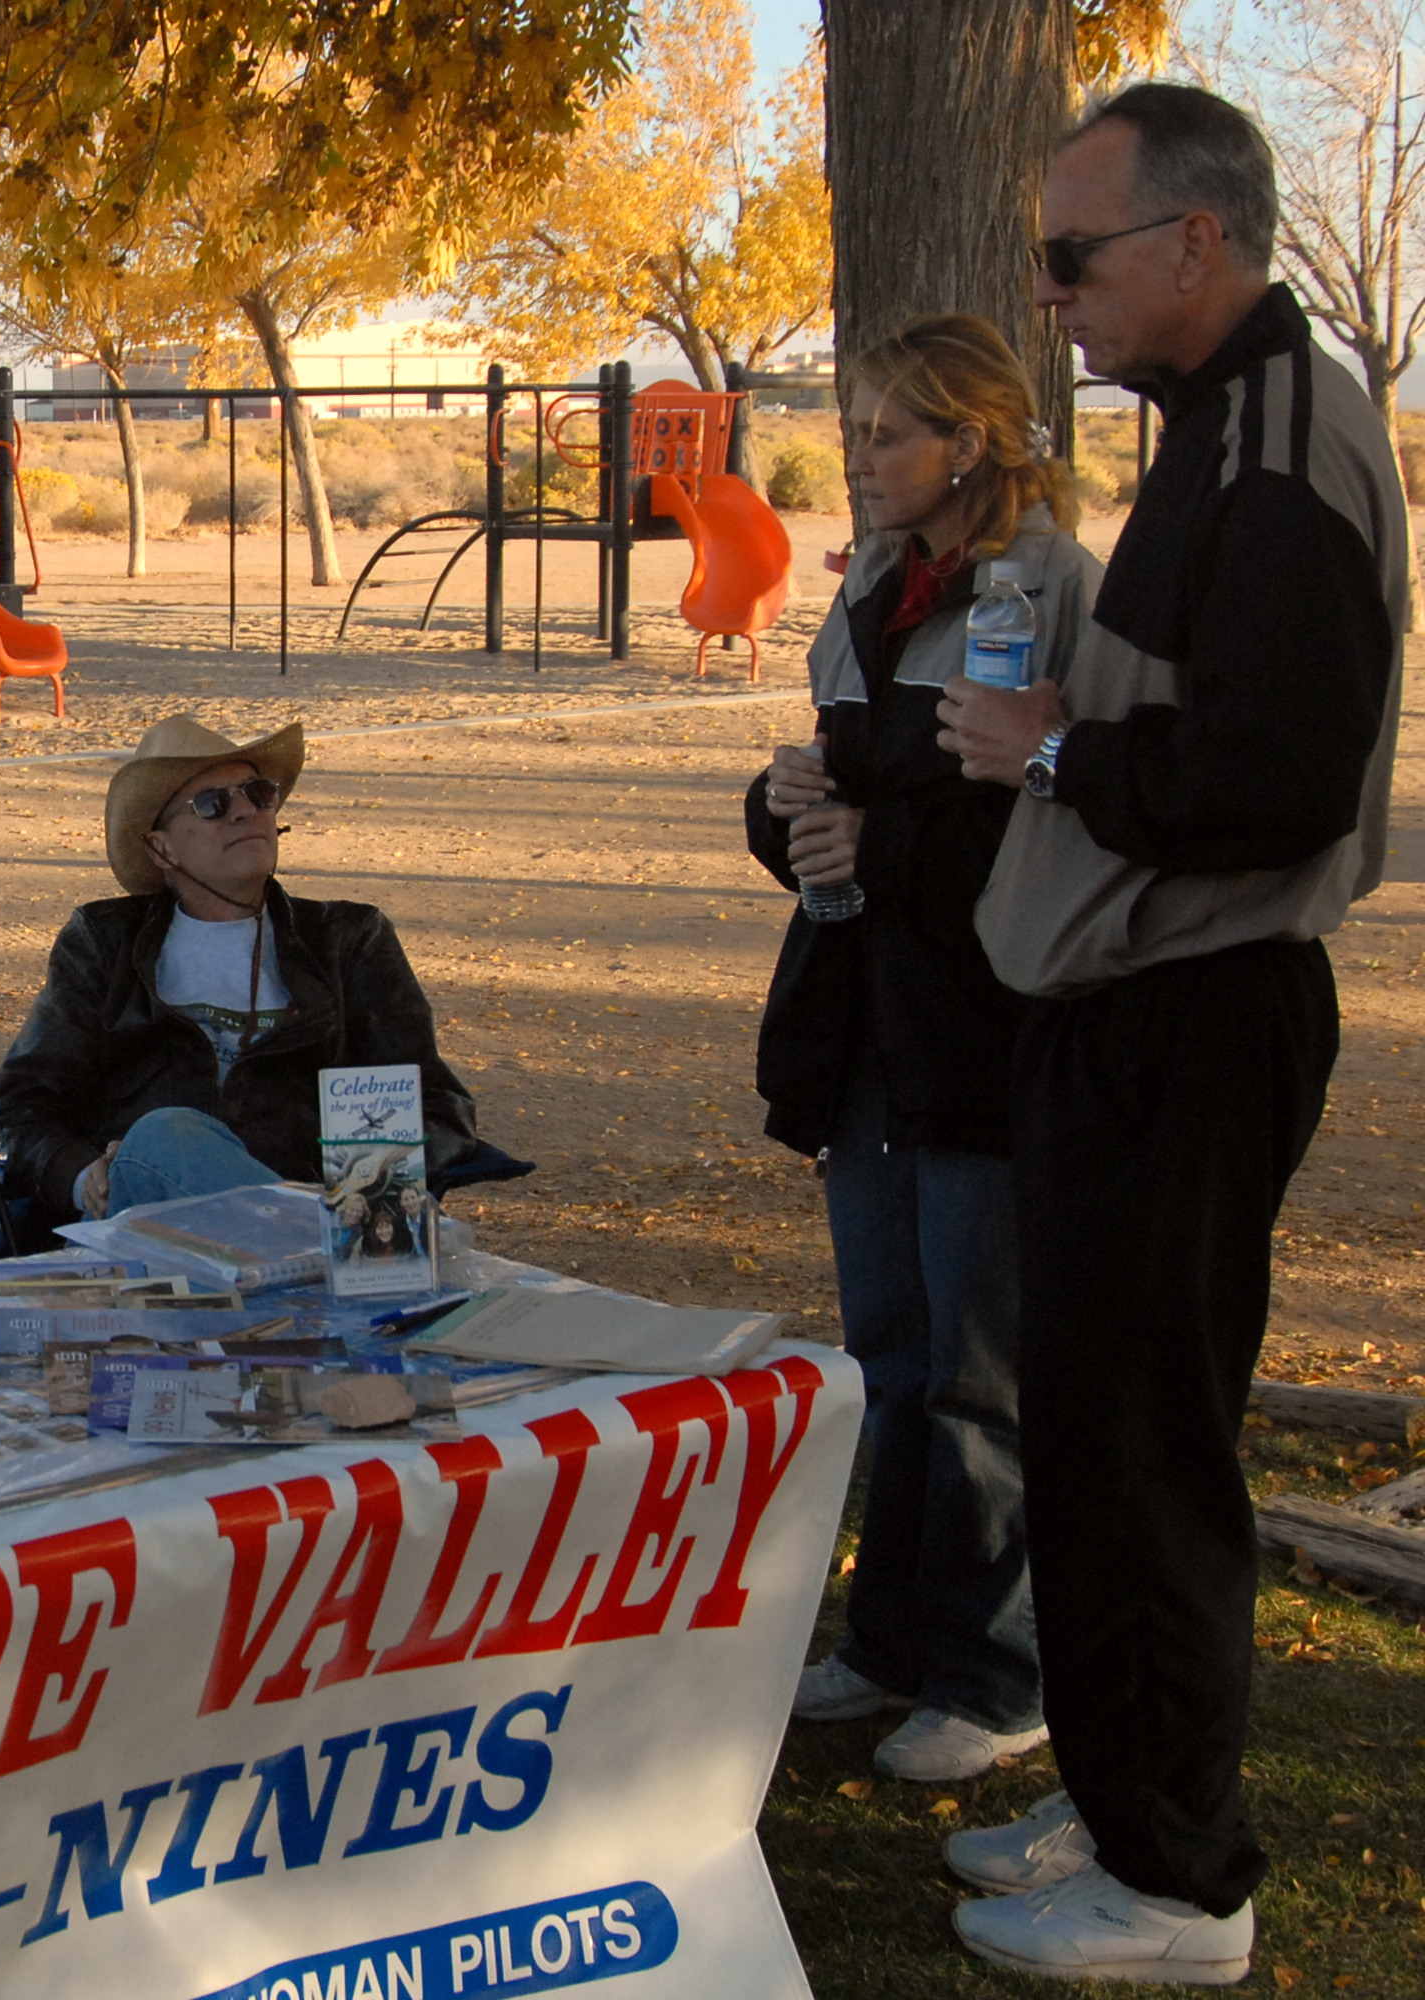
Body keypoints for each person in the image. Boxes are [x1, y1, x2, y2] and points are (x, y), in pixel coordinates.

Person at [935, 85, 1406, 1985]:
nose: (1050, 293)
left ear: (1197, 243)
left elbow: (1277, 782)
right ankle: (1129, 1793)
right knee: (1093, 1432)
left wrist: (1053, 745)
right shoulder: (1215, 422)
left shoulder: (1287, 444)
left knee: (1145, 1451)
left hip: (1197, 1016)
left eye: (1073, 253)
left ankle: (1181, 1884)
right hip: (1126, 1011)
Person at [749, 315, 1101, 1786]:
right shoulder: (880, 587)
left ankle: (997, 1668)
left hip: (985, 1024)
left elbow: (1042, 810)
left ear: (971, 441)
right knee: (890, 1353)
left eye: (890, 433)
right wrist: (787, 817)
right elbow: (837, 786)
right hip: (865, 1024)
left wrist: (878, 843)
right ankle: (887, 1640)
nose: (863, 459)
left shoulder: (1055, 589)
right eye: (856, 432)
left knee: (978, 1369)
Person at [0, 716, 510, 1223]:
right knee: (163, 1138)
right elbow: (20, 1110)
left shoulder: (347, 940)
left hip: (323, 1205)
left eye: (257, 793)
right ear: (159, 846)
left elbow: (435, 1110)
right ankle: (304, 1236)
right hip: (145, 1233)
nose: (243, 812)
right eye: (212, 804)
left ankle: (296, 1229)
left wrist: (351, 1183)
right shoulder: (106, 943)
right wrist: (85, 1179)